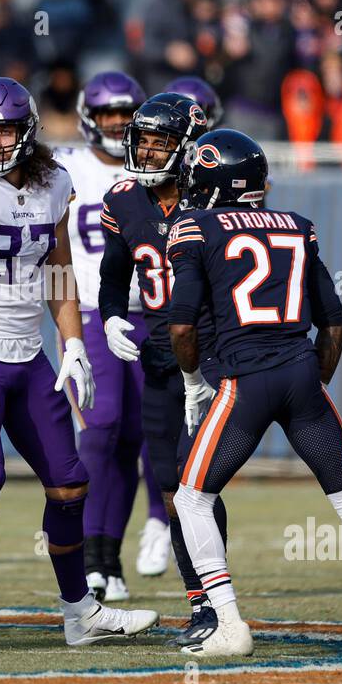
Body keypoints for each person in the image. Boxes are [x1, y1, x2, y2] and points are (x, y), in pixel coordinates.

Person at [166, 128, 342, 660]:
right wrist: (314, 382)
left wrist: (194, 381)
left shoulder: (195, 227)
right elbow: (333, 322)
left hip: (243, 381)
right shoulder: (296, 226)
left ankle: (230, 624)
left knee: (191, 499)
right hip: (301, 373)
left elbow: (180, 327)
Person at [0, 76, 159, 649]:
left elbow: (58, 267)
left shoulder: (55, 181)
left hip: (30, 355)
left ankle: (79, 611)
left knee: (71, 483)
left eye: (4, 129)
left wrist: (73, 341)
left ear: (26, 129)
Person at [99, 91, 227, 646]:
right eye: (142, 142)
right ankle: (202, 604)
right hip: (158, 359)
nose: (148, 154)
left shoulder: (216, 198)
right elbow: (112, 273)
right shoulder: (125, 200)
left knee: (202, 487)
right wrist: (108, 320)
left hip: (215, 353)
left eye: (160, 144)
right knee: (174, 489)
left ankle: (219, 604)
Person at [54, 70, 168, 601]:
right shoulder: (64, 169)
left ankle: (108, 558)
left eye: (126, 114)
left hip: (149, 312)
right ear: (88, 117)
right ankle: (84, 557)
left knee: (134, 438)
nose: (118, 123)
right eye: (107, 115)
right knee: (98, 429)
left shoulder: (156, 168)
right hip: (94, 311)